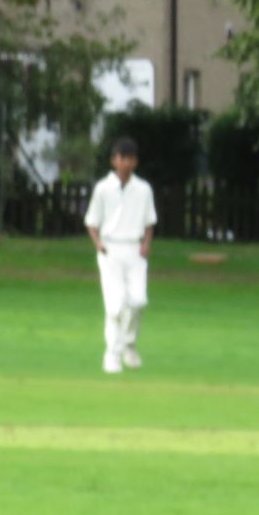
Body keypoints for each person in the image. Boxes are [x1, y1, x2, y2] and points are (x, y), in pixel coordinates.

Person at [84, 137, 158, 374]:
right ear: (113, 161)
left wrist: (146, 245)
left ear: (135, 162)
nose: (126, 163)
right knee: (115, 306)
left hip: (135, 250)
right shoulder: (103, 188)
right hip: (110, 249)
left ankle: (129, 345)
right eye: (121, 158)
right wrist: (99, 245)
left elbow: (149, 222)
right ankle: (112, 355)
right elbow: (92, 222)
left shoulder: (143, 189)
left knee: (138, 300)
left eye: (130, 159)